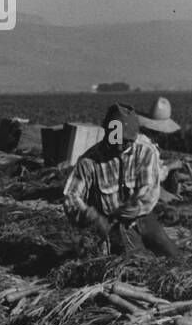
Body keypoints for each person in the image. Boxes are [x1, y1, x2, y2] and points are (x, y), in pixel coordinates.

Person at [63, 103, 179, 260]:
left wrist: (128, 211)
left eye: (125, 141)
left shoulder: (145, 151)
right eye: (115, 139)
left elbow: (149, 192)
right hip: (110, 224)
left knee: (174, 256)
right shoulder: (89, 161)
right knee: (137, 260)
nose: (119, 145)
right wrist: (92, 216)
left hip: (142, 216)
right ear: (107, 133)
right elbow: (71, 197)